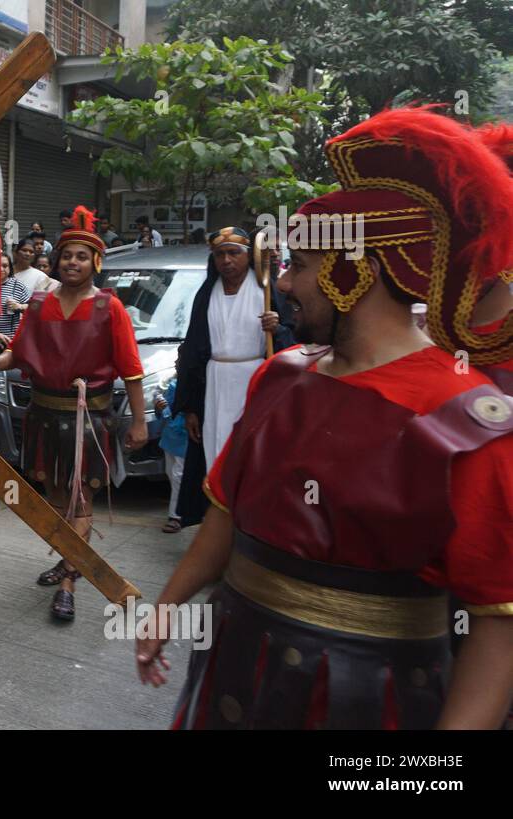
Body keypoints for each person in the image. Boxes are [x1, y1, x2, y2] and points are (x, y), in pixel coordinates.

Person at [138, 107, 513, 729]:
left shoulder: (466, 426)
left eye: (301, 266)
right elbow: (227, 516)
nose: (284, 284)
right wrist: (167, 608)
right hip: (231, 677)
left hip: (368, 707)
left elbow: (497, 626)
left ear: (353, 272)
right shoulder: (281, 376)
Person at [0, 206, 148, 621]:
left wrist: (141, 421)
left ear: (95, 262)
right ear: (57, 261)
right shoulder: (38, 305)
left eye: (81, 256)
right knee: (56, 498)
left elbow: (132, 370)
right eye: (67, 255)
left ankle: (70, 579)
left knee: (81, 498)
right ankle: (69, 557)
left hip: (87, 419)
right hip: (43, 413)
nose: (73, 262)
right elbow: (19, 353)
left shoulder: (111, 308)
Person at [172, 227, 296, 527]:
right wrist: (191, 407)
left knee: (251, 456)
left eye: (234, 253)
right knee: (214, 454)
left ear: (247, 256)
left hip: (253, 380)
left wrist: (278, 328)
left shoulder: (266, 292)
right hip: (214, 386)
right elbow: (192, 352)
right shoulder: (206, 295)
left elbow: (296, 340)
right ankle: (218, 525)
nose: (226, 260)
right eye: (220, 254)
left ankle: (251, 524)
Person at [155, 372, 188, 533]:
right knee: (171, 472)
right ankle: (179, 510)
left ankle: (176, 515)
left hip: (185, 433)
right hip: (172, 433)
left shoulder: (194, 383)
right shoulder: (174, 384)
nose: (176, 363)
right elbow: (165, 409)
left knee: (178, 475)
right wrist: (160, 407)